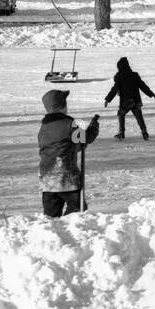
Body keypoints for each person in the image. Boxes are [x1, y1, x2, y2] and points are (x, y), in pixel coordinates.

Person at [38, 88, 100, 216]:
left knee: (51, 218)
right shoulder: (69, 124)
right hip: (66, 178)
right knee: (77, 212)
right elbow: (86, 138)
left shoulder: (43, 128)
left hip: (47, 180)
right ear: (62, 106)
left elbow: (58, 148)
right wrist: (94, 125)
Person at [103, 56, 155, 140]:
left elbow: (115, 89)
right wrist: (151, 93)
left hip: (126, 101)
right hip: (136, 100)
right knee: (139, 116)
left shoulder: (119, 76)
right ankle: (144, 133)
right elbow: (142, 85)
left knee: (121, 114)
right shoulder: (134, 75)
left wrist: (107, 99)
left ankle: (121, 133)